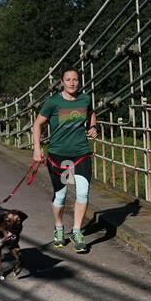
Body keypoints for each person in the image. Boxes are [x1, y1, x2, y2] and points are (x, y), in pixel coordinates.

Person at [32, 67, 97, 254]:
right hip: (59, 157)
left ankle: (77, 231)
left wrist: (93, 126)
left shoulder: (85, 99)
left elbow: (91, 113)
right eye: (68, 80)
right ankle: (59, 227)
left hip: (81, 154)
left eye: (75, 79)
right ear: (62, 82)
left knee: (83, 194)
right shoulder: (53, 102)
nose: (72, 83)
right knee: (61, 196)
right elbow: (38, 124)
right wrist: (37, 149)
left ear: (79, 81)